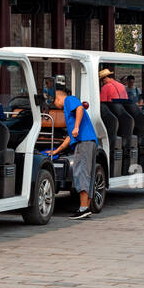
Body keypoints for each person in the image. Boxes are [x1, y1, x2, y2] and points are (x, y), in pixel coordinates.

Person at [43, 83, 98, 219]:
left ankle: (83, 208)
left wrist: (77, 127)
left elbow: (79, 108)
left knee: (81, 173)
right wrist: (56, 151)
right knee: (86, 174)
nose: (55, 105)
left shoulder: (69, 100)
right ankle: (85, 208)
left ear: (58, 97)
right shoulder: (68, 110)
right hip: (86, 142)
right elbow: (69, 137)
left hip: (84, 142)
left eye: (54, 102)